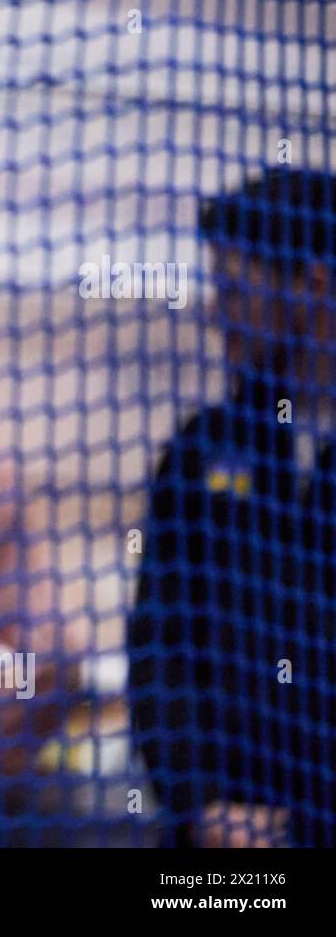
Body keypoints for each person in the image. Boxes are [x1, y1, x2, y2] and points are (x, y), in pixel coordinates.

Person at [128, 167, 336, 847]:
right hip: (221, 843)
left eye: (235, 290)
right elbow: (160, 648)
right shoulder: (202, 451)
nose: (219, 313)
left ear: (311, 284)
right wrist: (203, 805)